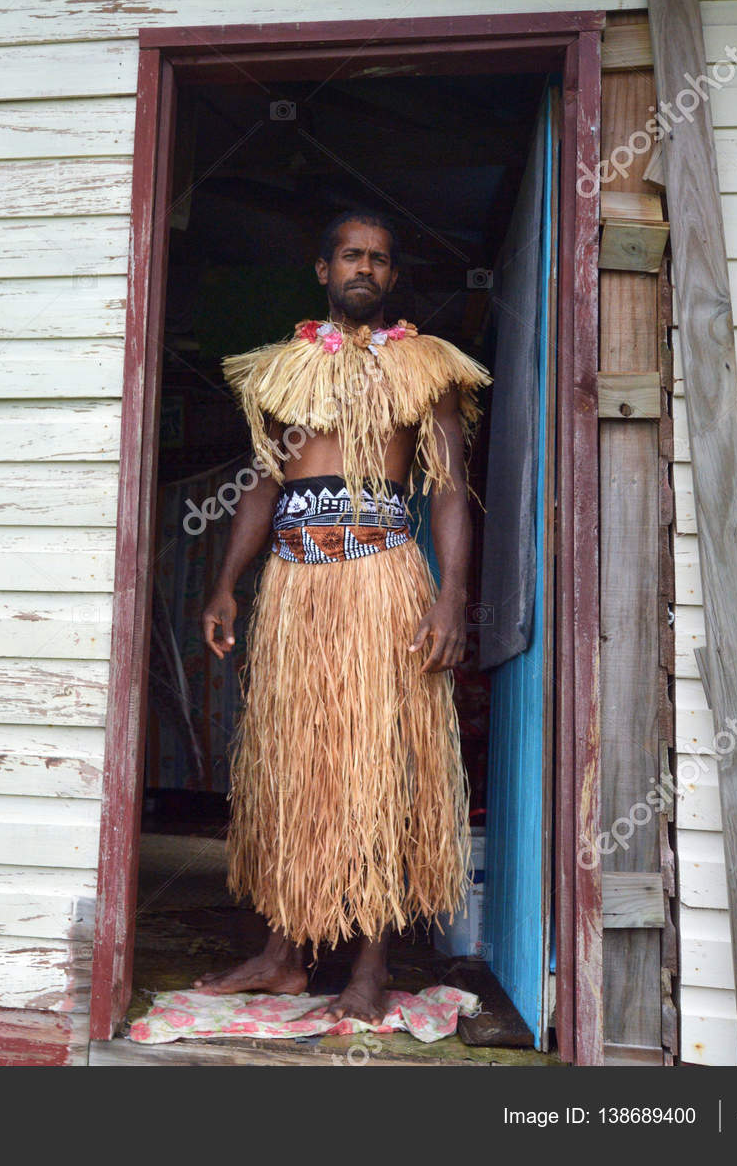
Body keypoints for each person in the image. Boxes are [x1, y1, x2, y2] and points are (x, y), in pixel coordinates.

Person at [193, 209, 491, 1022]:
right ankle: (282, 956)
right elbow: (264, 483)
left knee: (377, 769)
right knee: (294, 767)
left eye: (380, 259)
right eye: (352, 256)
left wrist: (452, 595)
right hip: (295, 586)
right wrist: (226, 584)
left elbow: (449, 491)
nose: (366, 268)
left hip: (380, 582)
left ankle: (371, 966)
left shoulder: (425, 366)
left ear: (392, 276)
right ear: (323, 269)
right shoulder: (284, 369)